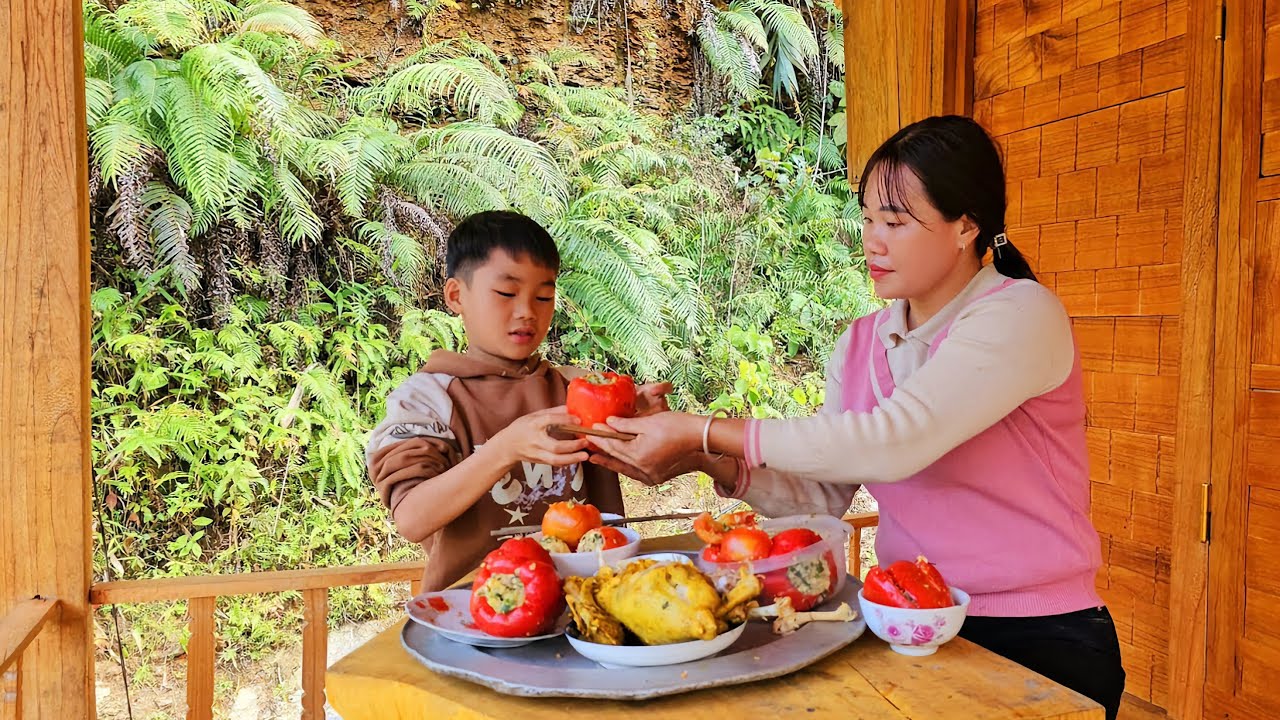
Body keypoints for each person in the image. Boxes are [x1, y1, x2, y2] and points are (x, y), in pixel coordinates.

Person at [590, 116, 1126, 719]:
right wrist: (698, 455)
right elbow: (822, 494)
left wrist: (703, 428)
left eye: (895, 222)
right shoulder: (860, 343)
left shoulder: (1021, 313)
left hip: (1036, 635)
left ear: (966, 225)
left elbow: (894, 442)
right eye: (867, 219)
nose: (872, 241)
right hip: (907, 620)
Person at [365, 210, 667, 592]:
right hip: (481, 608)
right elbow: (411, 519)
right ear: (456, 295)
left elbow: (653, 468)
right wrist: (504, 449)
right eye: (507, 294)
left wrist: (638, 420)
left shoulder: (577, 388)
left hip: (589, 600)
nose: (527, 312)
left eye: (544, 297)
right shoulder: (428, 400)